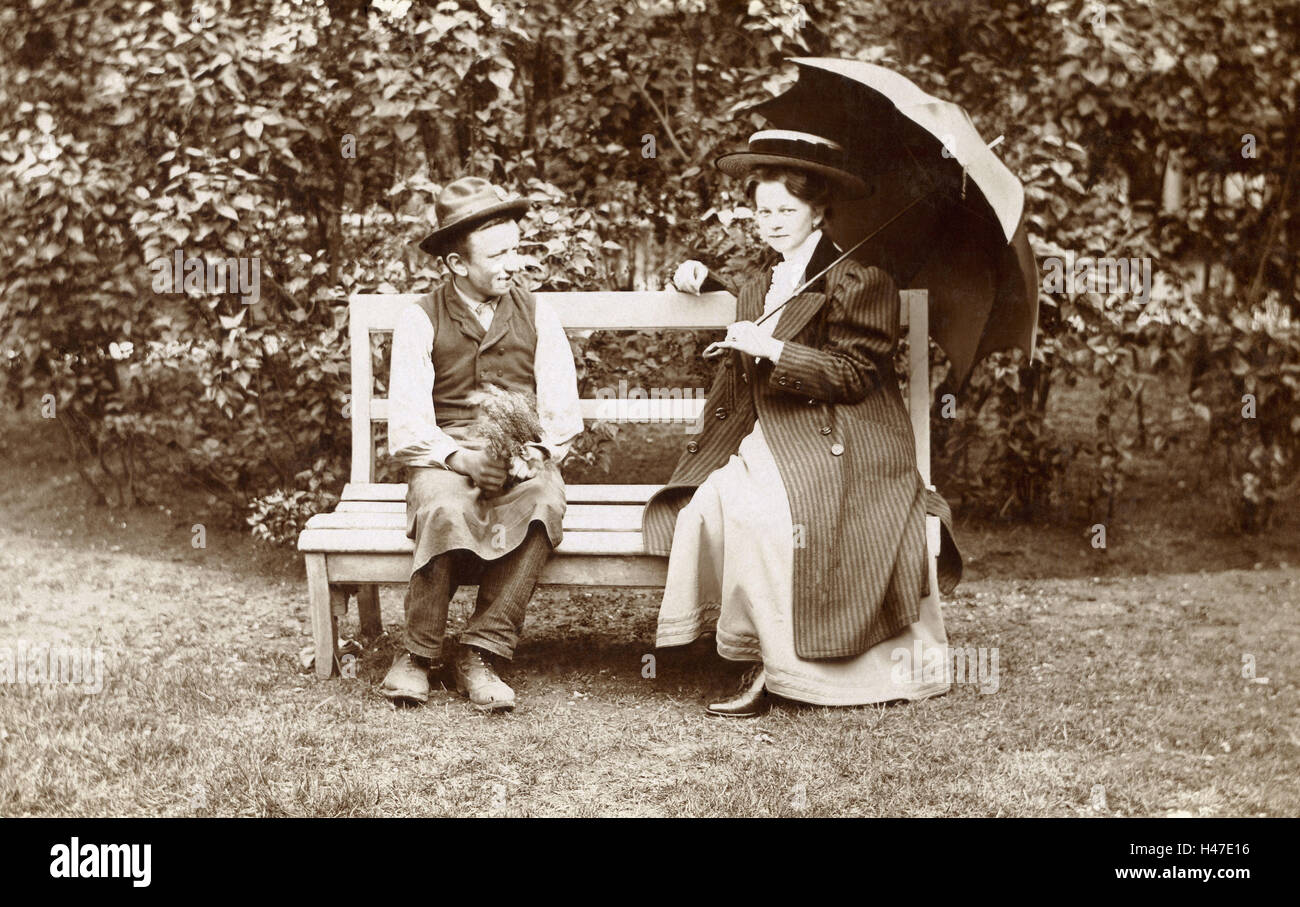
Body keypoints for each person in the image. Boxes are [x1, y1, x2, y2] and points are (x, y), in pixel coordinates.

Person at [642, 130, 961, 716]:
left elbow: (854, 375)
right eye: (762, 211)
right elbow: (751, 297)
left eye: (786, 210)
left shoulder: (859, 279)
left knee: (772, 519)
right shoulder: (768, 277)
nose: (772, 222)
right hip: (779, 430)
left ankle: (784, 668)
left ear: (818, 211)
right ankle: (754, 648)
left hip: (850, 432)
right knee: (716, 504)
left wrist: (773, 352)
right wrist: (696, 276)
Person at [381, 176, 583, 712]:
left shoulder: (540, 314)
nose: (514, 262)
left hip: (520, 452)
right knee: (445, 506)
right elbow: (405, 423)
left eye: (517, 248)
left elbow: (562, 412)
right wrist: (461, 457)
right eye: (498, 254)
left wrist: (531, 456)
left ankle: (481, 651)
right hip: (444, 452)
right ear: (456, 265)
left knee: (542, 503)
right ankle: (418, 652)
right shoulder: (420, 319)